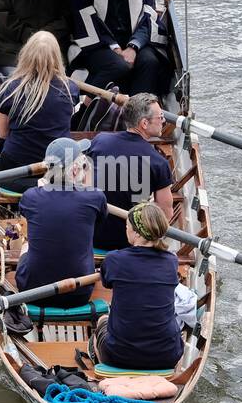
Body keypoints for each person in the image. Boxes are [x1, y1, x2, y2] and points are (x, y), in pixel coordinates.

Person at [13, 137, 107, 314]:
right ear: (75, 170)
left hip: (31, 291)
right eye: (82, 163)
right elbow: (98, 222)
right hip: (79, 292)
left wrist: (43, 188)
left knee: (26, 244)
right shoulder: (95, 197)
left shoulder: (30, 196)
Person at [90, 202, 184, 370]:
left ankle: (98, 358)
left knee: (102, 320)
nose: (126, 230)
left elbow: (106, 282)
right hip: (167, 355)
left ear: (137, 233)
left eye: (127, 226)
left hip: (119, 356)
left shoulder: (114, 259)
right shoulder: (172, 261)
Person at [88, 92, 173, 250]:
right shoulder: (158, 163)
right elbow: (165, 215)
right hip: (127, 242)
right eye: (160, 117)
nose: (164, 121)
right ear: (144, 124)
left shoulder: (100, 140)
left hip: (90, 234)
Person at [0, 30, 79, 189]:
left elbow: (2, 133)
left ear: (26, 55)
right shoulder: (71, 89)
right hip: (58, 166)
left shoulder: (9, 90)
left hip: (16, 167)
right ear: (56, 58)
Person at [68, 0, 173, 99]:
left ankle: (138, 109)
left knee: (149, 61)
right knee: (118, 65)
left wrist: (134, 46)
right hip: (97, 41)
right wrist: (114, 46)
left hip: (133, 38)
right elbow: (83, 15)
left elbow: (148, 14)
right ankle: (87, 105)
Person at [0, 0, 71, 70]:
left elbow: (67, 18)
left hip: (51, 51)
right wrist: (37, 37)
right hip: (10, 52)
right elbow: (2, 20)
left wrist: (40, 38)